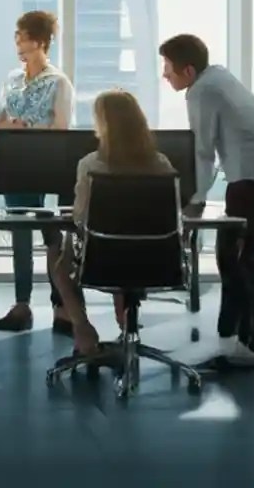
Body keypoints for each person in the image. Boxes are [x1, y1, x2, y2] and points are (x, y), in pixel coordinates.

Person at [159, 33, 254, 369]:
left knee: (232, 260)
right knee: (242, 260)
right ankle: (240, 338)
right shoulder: (218, 78)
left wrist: (196, 201)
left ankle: (244, 347)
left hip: (251, 177)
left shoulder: (201, 90)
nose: (164, 75)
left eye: (168, 68)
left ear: (187, 71)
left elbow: (203, 151)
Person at [0, 9, 74, 333]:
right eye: (17, 37)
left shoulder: (58, 82)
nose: (19, 43)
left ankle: (62, 305)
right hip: (14, 162)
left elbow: (60, 128)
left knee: (52, 234)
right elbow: (4, 120)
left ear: (41, 41)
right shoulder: (12, 80)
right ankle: (22, 304)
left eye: (24, 37)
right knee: (19, 234)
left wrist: (27, 128)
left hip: (47, 162)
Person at [52, 89, 174, 355]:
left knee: (60, 261)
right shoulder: (161, 164)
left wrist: (72, 215)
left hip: (104, 260)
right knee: (126, 255)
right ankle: (126, 323)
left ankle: (82, 328)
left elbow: (81, 218)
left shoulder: (91, 165)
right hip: (156, 261)